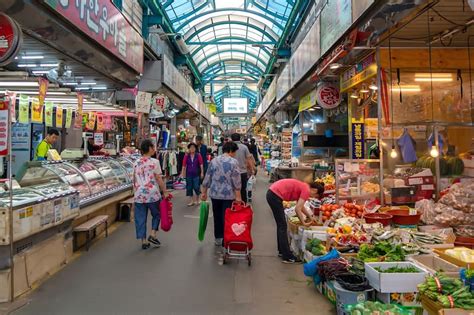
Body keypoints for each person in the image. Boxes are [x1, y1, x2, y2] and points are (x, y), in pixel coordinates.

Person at [266, 179, 324, 264]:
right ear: (314, 190)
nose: (312, 197)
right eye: (315, 195)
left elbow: (301, 206)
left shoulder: (304, 186)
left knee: (281, 226)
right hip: (275, 195)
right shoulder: (306, 190)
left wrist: (310, 217)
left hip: (272, 193)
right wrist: (303, 222)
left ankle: (282, 251)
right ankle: (288, 256)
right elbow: (297, 209)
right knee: (282, 226)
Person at [201, 142, 242, 246]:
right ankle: (226, 238)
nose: (235, 154)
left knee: (217, 216)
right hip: (228, 195)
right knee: (227, 217)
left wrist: (204, 192)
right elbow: (236, 180)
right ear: (231, 151)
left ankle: (218, 238)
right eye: (235, 152)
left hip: (214, 194)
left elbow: (208, 176)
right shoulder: (234, 162)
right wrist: (238, 196)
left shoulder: (214, 160)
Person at [133, 139, 170, 250]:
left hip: (139, 194)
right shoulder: (155, 162)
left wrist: (134, 193)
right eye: (153, 147)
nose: (154, 149)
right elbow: (159, 178)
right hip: (152, 194)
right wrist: (165, 191)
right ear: (149, 148)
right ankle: (153, 234)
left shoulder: (135, 162)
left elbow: (134, 179)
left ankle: (143, 241)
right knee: (157, 214)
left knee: (140, 218)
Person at [230, 133, 255, 204]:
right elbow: (249, 159)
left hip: (231, 173)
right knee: (243, 190)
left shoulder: (229, 147)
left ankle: (233, 205)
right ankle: (243, 205)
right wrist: (252, 170)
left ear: (232, 139)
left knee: (233, 189)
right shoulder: (244, 147)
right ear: (240, 138)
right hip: (242, 172)